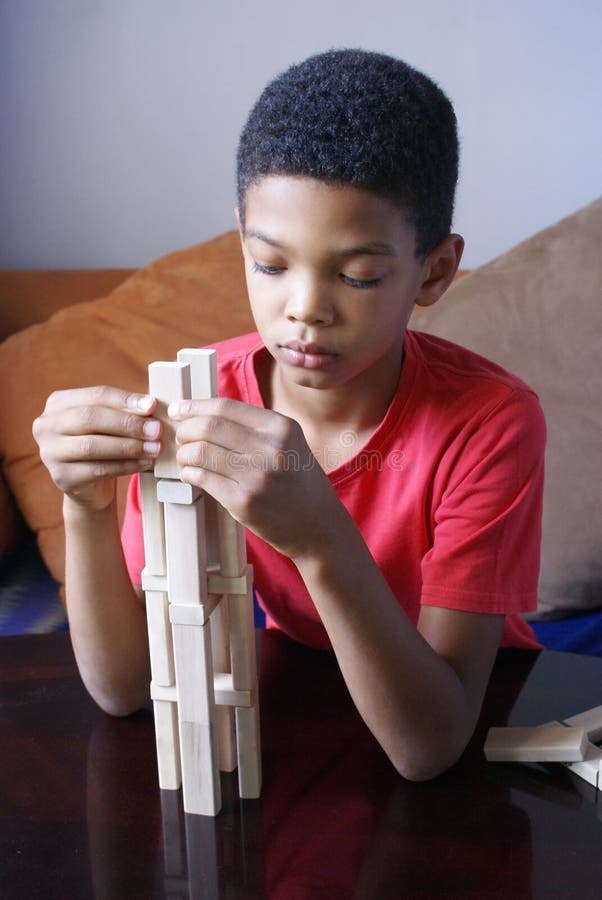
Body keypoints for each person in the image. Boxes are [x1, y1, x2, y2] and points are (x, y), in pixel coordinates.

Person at [33, 48, 545, 781]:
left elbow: (430, 747)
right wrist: (83, 504)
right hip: (303, 709)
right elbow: (123, 690)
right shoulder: (205, 399)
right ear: (241, 235)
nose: (305, 308)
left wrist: (322, 539)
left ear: (433, 271)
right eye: (270, 264)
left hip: (474, 715)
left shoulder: (491, 424)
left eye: (357, 275)